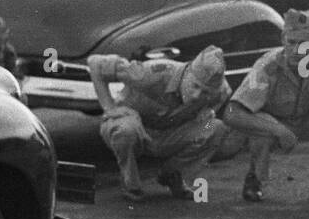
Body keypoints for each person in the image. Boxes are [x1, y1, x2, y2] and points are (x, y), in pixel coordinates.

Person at [223, 9, 309, 205]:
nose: (297, 50)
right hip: (275, 126)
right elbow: (232, 113)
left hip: (307, 120)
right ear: (283, 39)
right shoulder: (267, 67)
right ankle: (254, 179)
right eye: (291, 42)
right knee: (258, 120)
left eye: (304, 44)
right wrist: (277, 129)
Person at [87, 46, 230, 201]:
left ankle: (173, 174)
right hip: (134, 126)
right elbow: (94, 62)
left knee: (216, 128)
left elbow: (217, 104)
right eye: (195, 86)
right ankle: (130, 183)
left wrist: (208, 116)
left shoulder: (220, 91)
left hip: (168, 132)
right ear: (187, 72)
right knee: (126, 130)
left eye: (205, 92)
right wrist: (109, 108)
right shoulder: (151, 73)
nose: (197, 96)